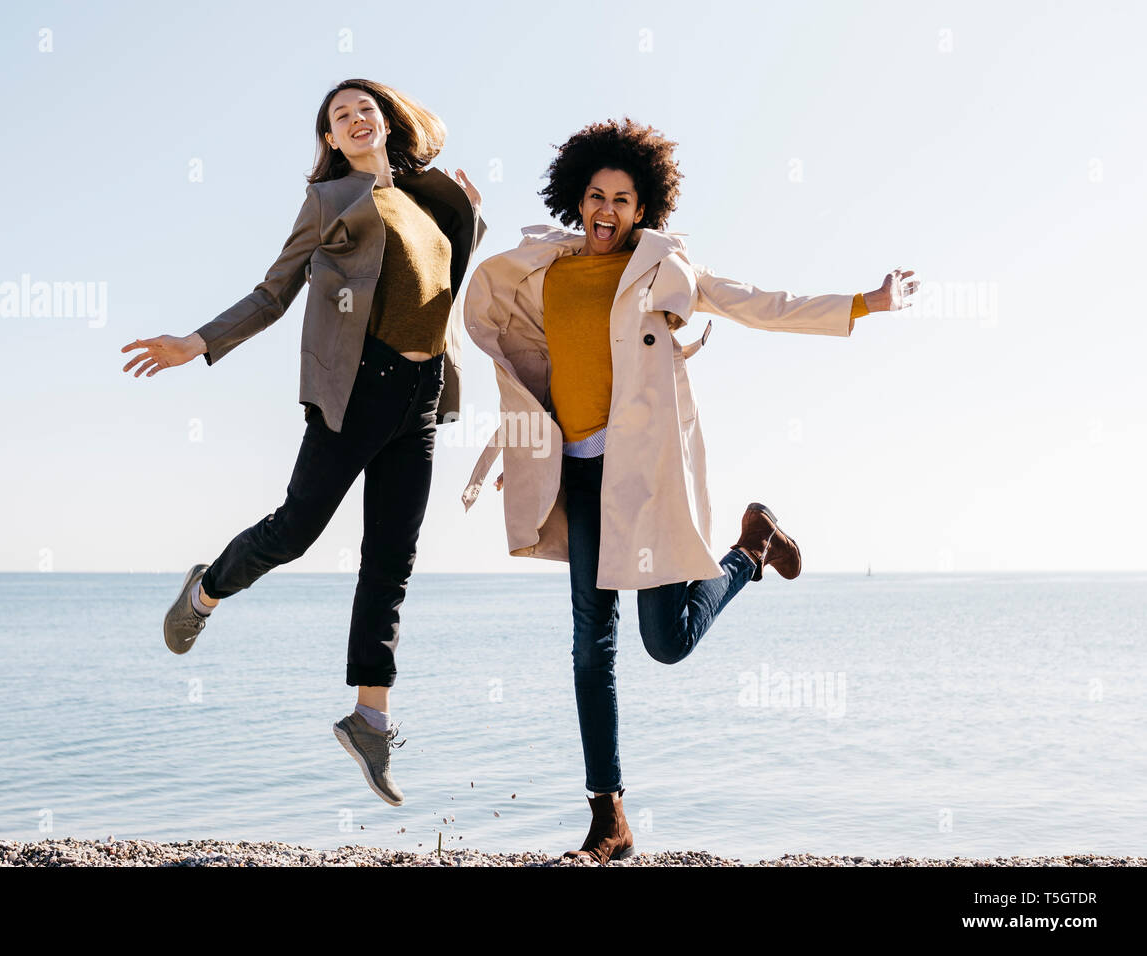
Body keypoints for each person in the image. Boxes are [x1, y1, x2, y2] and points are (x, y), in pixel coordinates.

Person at [461, 117, 916, 862]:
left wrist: (863, 302)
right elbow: (533, 370)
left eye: (625, 198)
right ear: (577, 198)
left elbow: (759, 303)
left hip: (642, 476)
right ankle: (609, 819)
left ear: (645, 209)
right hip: (575, 473)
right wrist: (529, 449)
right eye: (597, 194)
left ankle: (749, 548)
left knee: (666, 643)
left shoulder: (664, 270)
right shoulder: (543, 270)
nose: (608, 208)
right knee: (588, 645)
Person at [120, 78, 485, 807]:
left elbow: (440, 287)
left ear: (388, 121)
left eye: (364, 109)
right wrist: (196, 342)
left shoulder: (435, 198)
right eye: (338, 116)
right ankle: (208, 587)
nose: (354, 119)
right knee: (296, 530)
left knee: (392, 559)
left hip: (419, 395)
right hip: (356, 386)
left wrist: (473, 217)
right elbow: (273, 292)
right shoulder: (329, 201)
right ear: (328, 138)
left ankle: (371, 719)